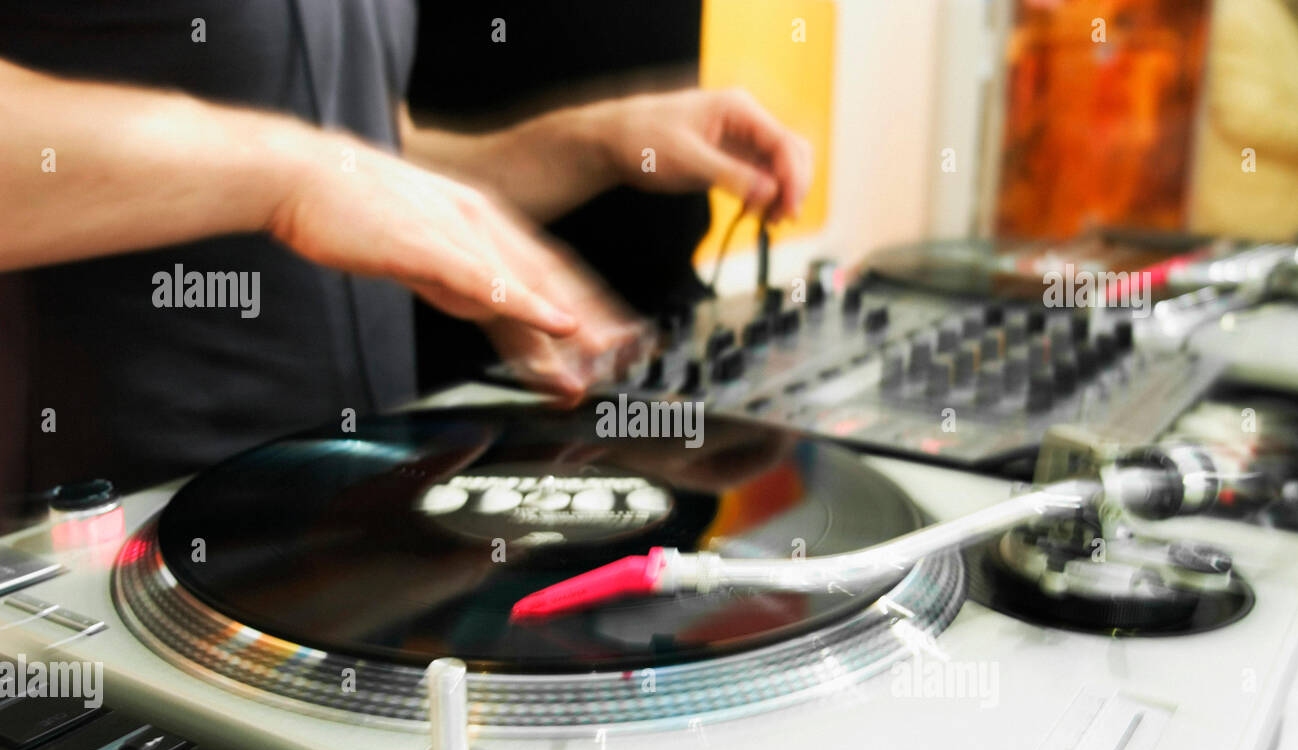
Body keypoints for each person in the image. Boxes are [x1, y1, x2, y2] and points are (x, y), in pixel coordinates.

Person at [0, 2, 811, 519]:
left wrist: (594, 143)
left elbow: (359, 160)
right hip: (105, 554)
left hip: (348, 531)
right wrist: (288, 174)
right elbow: (304, 170)